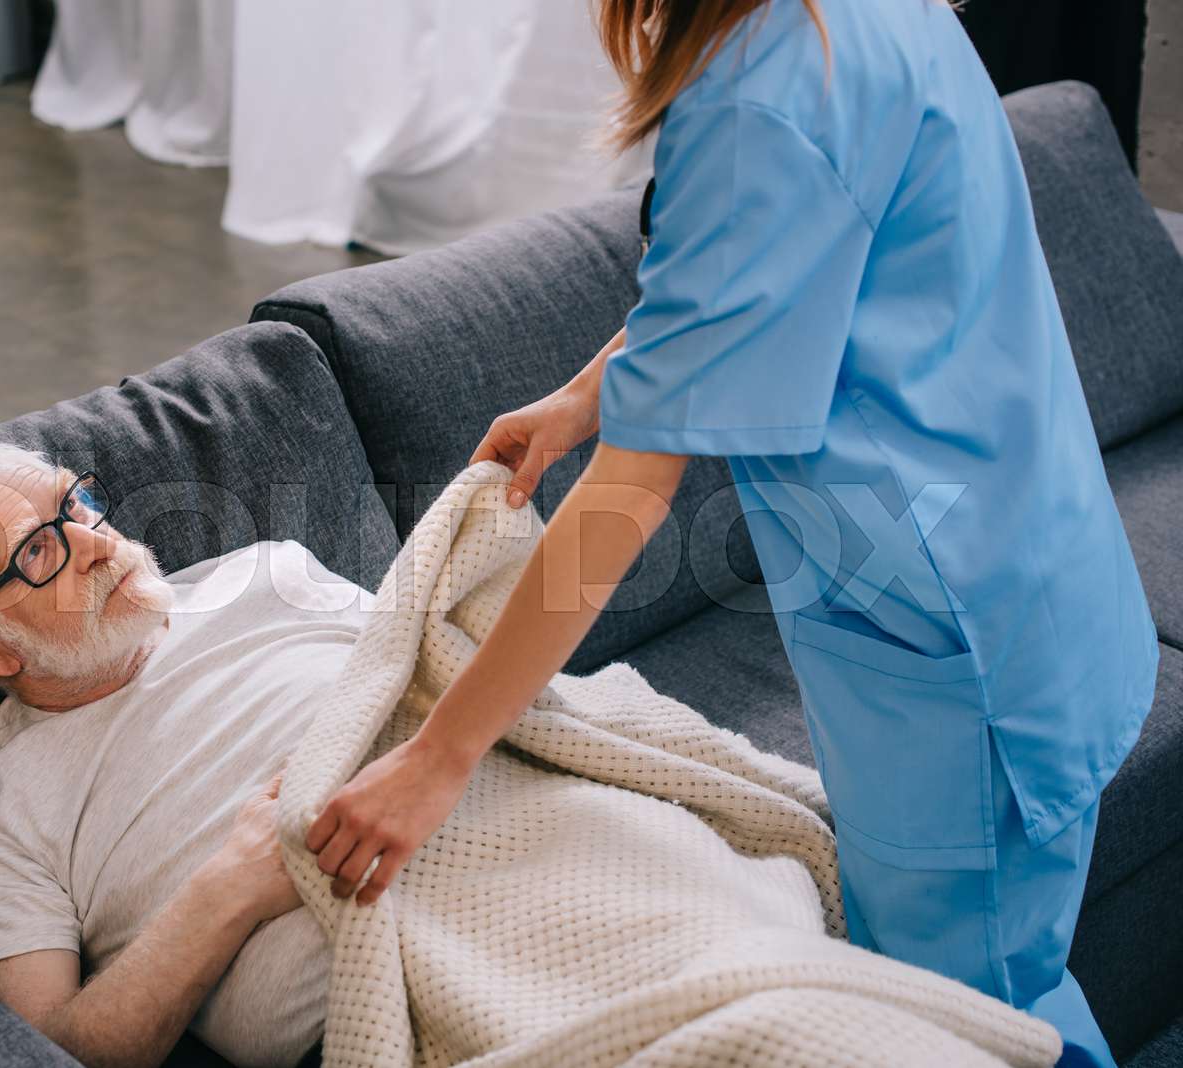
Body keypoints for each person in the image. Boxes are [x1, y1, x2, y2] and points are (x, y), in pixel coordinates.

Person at [300, 2, 1157, 1066]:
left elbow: (624, 503)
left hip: (949, 649)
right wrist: (585, 396)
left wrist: (439, 757)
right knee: (1007, 984)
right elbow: (761, 274)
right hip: (1032, 564)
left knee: (967, 1025)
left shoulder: (760, 96)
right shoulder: (863, 19)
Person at [0, 444, 353, 1068]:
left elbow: (453, 669)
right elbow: (48, 1052)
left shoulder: (266, 576)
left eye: (75, 503)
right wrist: (234, 884)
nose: (97, 543)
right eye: (36, 550)